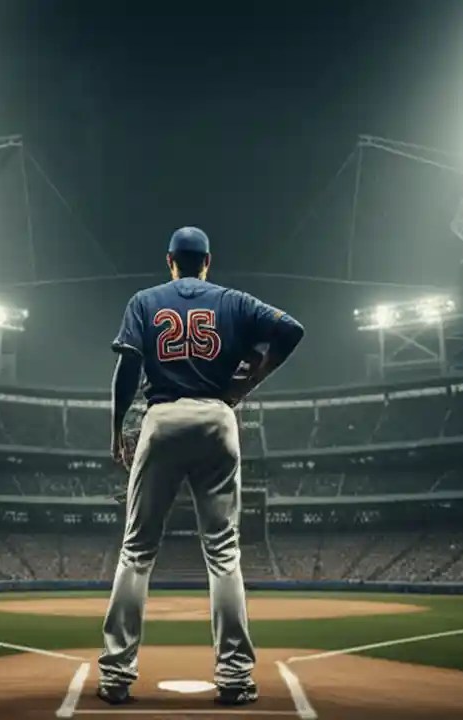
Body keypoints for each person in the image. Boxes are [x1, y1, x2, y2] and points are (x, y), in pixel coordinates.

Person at [97, 226, 305, 707]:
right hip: (217, 416)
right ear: (207, 262)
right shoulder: (234, 301)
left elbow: (127, 368)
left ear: (170, 260)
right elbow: (292, 330)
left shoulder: (144, 301)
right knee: (224, 554)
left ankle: (116, 675)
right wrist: (251, 380)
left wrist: (116, 428)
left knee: (136, 552)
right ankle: (235, 677)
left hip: (162, 417)